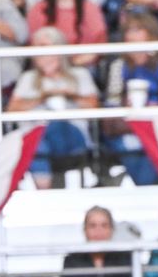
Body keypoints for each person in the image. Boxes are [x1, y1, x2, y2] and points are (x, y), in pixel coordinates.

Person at [9, 26, 97, 187]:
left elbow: (94, 106)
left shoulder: (79, 75)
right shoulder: (28, 78)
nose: (38, 52)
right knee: (38, 138)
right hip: (37, 135)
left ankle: (45, 190)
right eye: (35, 47)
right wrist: (42, 98)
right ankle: (45, 189)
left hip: (73, 135)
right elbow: (12, 109)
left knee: (52, 127)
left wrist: (70, 95)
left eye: (43, 46)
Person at [103, 10, 158, 179]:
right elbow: (111, 104)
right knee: (132, 145)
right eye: (129, 30)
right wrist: (124, 105)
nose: (132, 35)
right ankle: (147, 192)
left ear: (150, 34)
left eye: (138, 29)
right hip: (128, 127)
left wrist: (157, 109)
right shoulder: (119, 66)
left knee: (155, 147)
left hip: (157, 126)